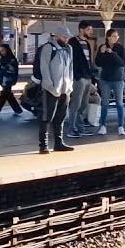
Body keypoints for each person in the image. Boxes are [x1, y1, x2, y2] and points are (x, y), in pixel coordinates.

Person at [38, 26, 75, 154]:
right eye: (64, 37)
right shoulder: (48, 48)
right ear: (57, 36)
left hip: (65, 89)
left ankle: (59, 143)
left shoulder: (69, 49)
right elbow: (44, 69)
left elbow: (70, 68)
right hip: (51, 89)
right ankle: (43, 145)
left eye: (67, 37)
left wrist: (70, 86)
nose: (66, 40)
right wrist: (50, 87)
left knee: (61, 117)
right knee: (47, 117)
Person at [66, 21, 98, 139]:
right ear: (81, 29)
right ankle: (71, 128)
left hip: (87, 77)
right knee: (76, 103)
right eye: (89, 29)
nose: (91, 32)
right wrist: (77, 76)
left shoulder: (87, 43)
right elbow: (71, 60)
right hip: (79, 78)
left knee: (84, 103)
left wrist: (91, 76)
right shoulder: (72, 42)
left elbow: (89, 61)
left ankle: (80, 127)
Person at [95, 28, 125, 136]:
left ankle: (121, 126)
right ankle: (103, 126)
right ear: (108, 37)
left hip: (118, 79)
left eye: (117, 36)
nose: (116, 38)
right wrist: (101, 53)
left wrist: (112, 53)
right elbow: (98, 63)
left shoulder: (120, 48)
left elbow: (122, 63)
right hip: (105, 79)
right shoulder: (102, 47)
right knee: (105, 103)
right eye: (114, 36)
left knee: (119, 103)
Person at [0, 43, 23, 117]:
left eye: (3, 50)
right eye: (1, 51)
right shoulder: (1, 58)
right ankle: (17, 110)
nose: (2, 52)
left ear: (7, 50)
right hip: (3, 80)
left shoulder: (12, 60)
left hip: (9, 80)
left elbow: (12, 70)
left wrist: (1, 67)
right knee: (8, 95)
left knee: (3, 95)